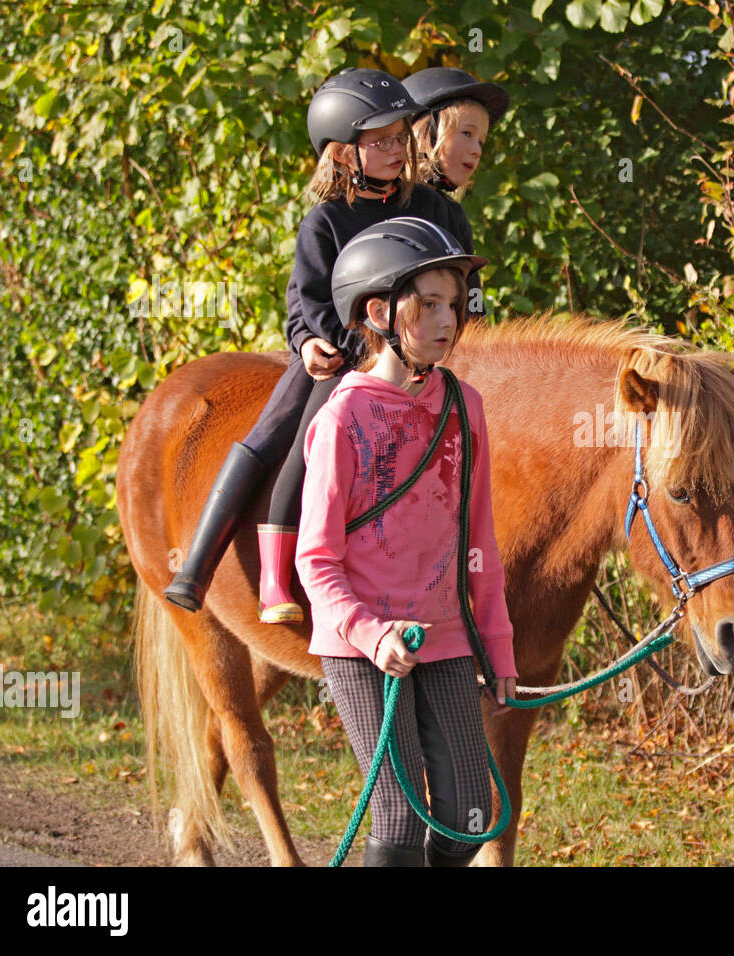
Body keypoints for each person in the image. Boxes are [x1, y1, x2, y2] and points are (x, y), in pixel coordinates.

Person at [162, 68, 475, 621]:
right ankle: (221, 573)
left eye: (400, 137)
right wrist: (317, 344)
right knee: (290, 434)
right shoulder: (325, 222)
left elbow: (464, 288)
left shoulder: (434, 209)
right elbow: (309, 300)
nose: (395, 149)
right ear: (342, 152)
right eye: (379, 141)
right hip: (344, 357)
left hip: (427, 356)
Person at [295, 217, 516, 867]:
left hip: (444, 636)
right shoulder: (343, 419)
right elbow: (316, 559)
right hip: (362, 644)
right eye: (431, 304)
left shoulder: (463, 405)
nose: (449, 319)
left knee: (469, 816)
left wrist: (497, 650)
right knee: (396, 821)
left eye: (455, 304)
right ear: (379, 312)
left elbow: (479, 542)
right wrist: (371, 633)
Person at [402, 66, 510, 322]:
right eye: (467, 134)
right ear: (425, 134)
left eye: (481, 141)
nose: (477, 150)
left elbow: (471, 303)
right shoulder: (381, 203)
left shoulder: (452, 214)